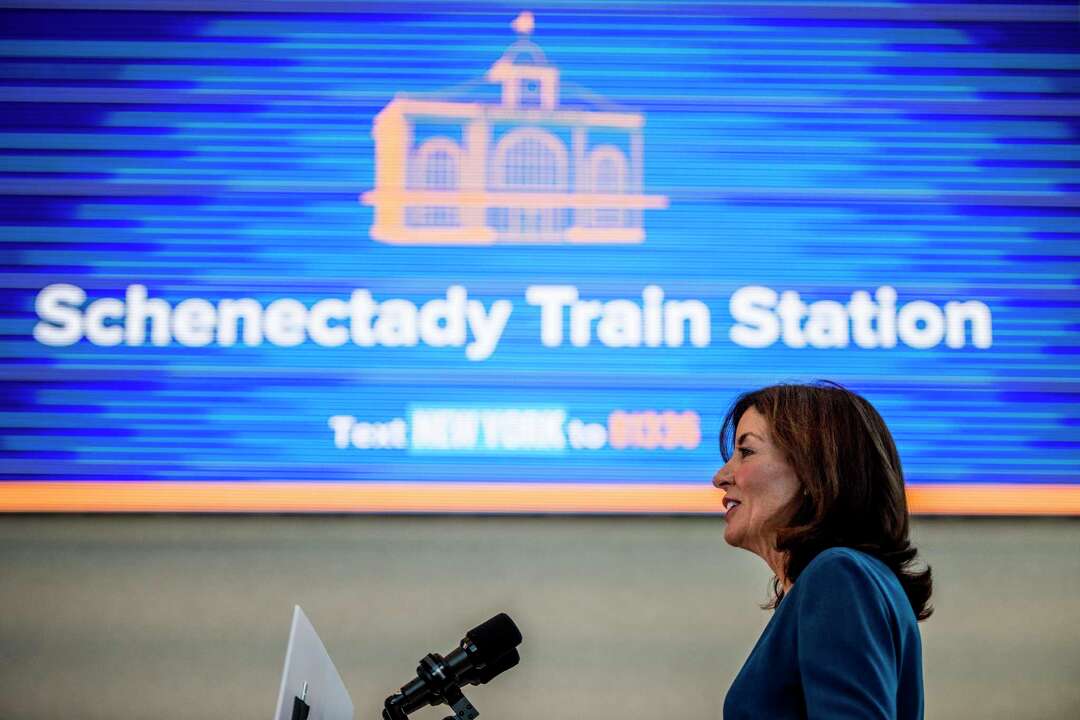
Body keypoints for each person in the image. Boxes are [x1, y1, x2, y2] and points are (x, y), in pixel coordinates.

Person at [713, 381, 932, 719]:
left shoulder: (840, 576)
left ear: (813, 470)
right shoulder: (839, 581)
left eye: (747, 452)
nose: (721, 476)